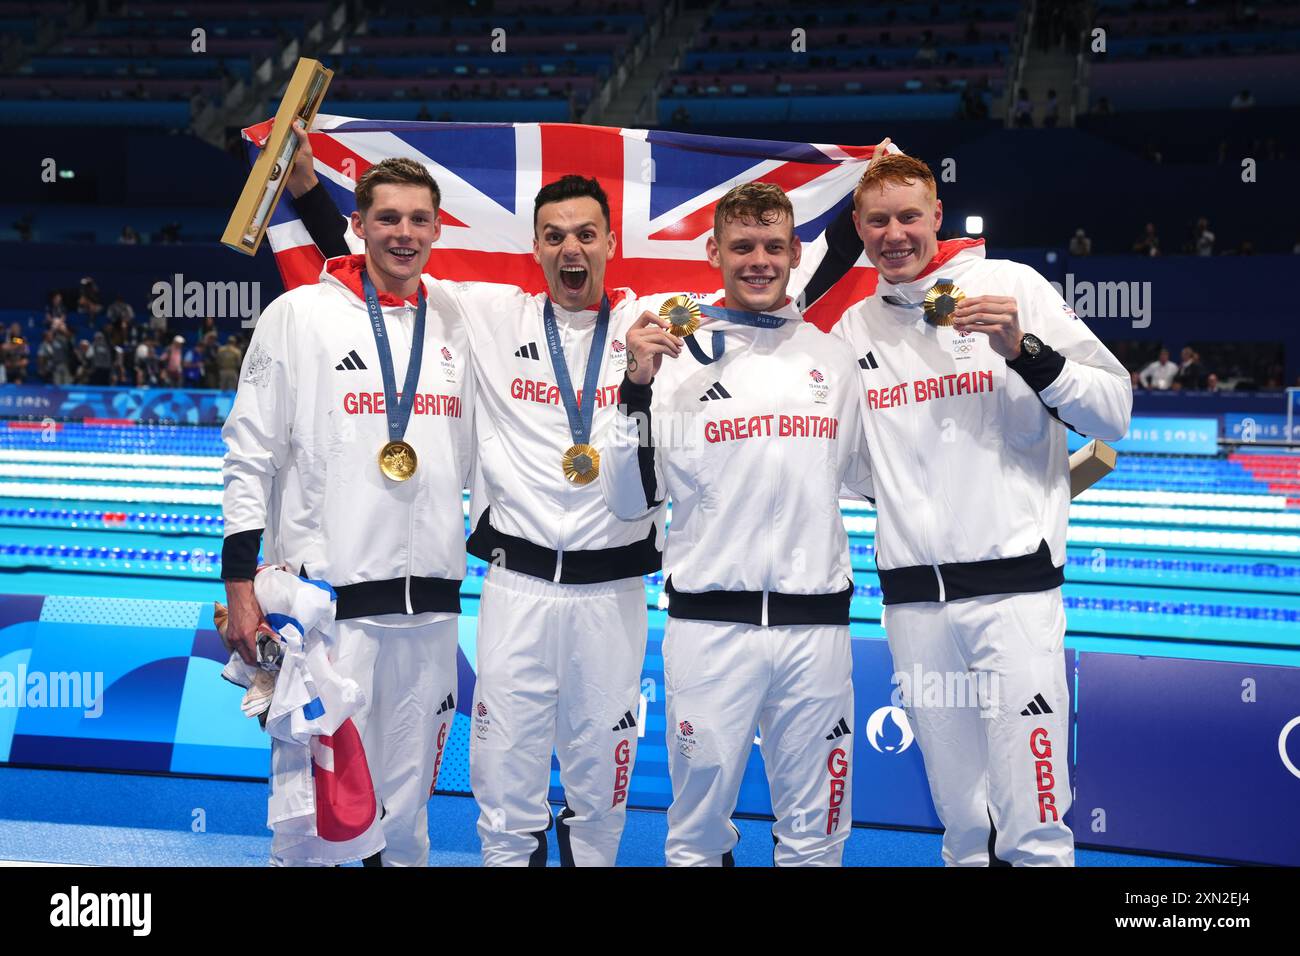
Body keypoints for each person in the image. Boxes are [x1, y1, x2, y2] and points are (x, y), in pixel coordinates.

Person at [285, 122, 873, 866]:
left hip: (614, 592)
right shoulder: (490, 315)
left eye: (587, 234)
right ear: (536, 247)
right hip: (515, 588)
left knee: (601, 789)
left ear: (610, 243)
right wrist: (307, 187)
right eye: (555, 235)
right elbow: (386, 258)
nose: (572, 250)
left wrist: (865, 194)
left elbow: (783, 280)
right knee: (504, 788)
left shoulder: (657, 322)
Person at [835, 152, 1131, 866]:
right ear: (858, 227)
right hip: (914, 608)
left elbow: (1114, 412)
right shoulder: (853, 330)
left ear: (937, 217)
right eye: (879, 220)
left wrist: (1026, 351)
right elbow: (851, 466)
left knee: (1033, 826)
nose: (895, 233)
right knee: (964, 826)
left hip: (1013, 598)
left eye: (910, 216)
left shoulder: (1011, 286)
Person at [601, 182, 875, 866]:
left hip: (816, 629)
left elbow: (877, 478)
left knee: (818, 831)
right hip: (708, 630)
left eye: (774, 247)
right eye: (744, 246)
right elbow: (629, 498)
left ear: (794, 254)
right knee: (696, 834)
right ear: (714, 251)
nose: (760, 261)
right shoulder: (672, 359)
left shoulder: (834, 359)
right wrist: (634, 385)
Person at [222, 157, 475, 866]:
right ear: (357, 228)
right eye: (386, 219)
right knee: (314, 823)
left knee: (407, 820)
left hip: (429, 617)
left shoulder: (455, 319)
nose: (404, 233)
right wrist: (239, 590)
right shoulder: (298, 315)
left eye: (419, 219)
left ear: (436, 229)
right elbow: (249, 457)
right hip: (329, 619)